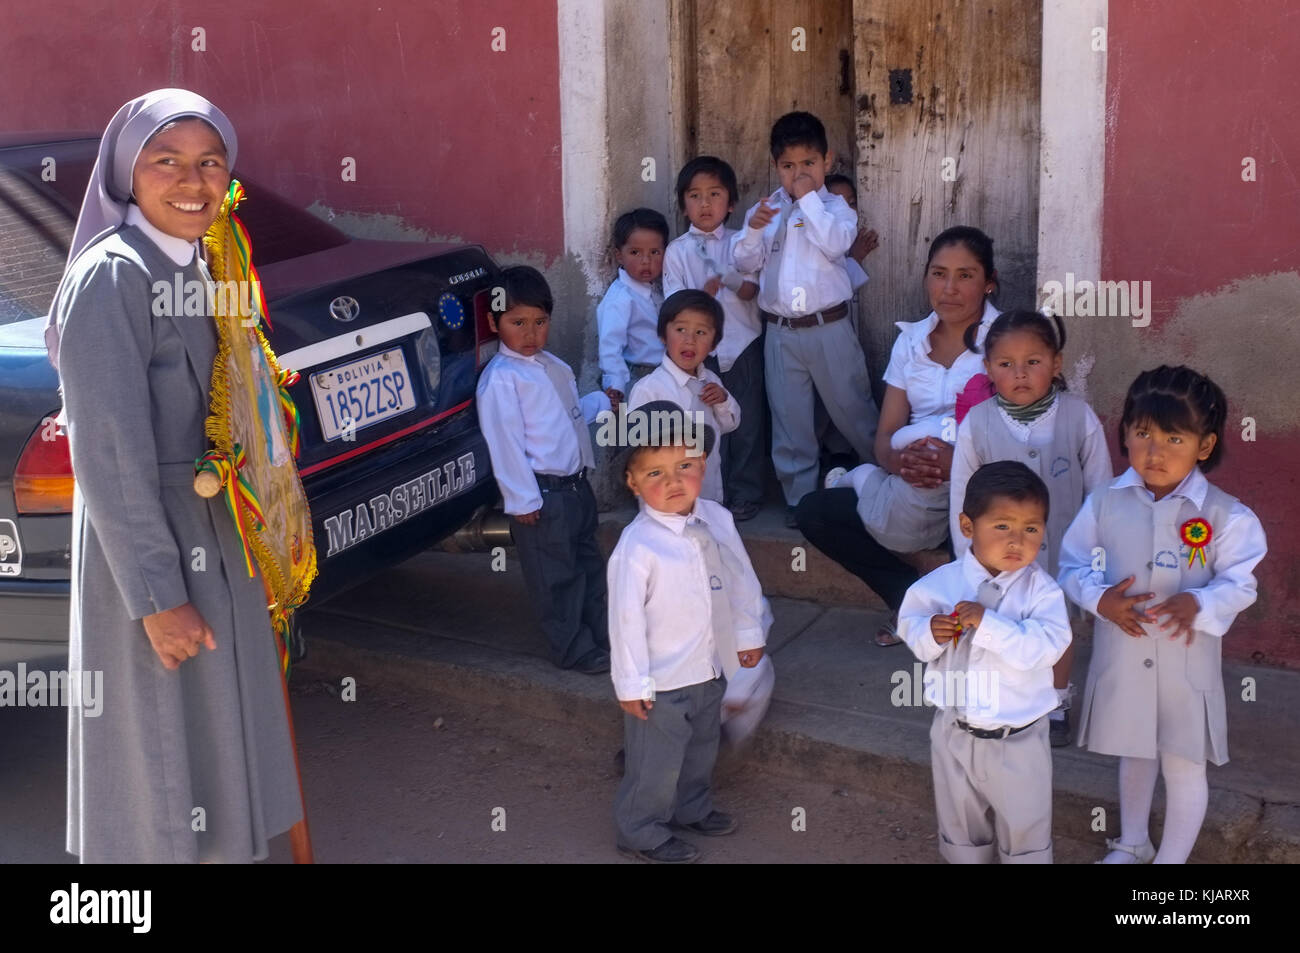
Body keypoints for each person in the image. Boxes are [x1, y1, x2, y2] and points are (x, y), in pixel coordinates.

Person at [48, 89, 302, 862]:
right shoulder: (113, 278)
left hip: (216, 531)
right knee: (159, 750)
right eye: (168, 162)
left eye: (210, 163)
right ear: (128, 173)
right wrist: (159, 599)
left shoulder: (206, 261)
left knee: (217, 734)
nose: (193, 182)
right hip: (149, 547)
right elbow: (109, 455)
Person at [1058, 366, 1266, 865]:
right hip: (1125, 656)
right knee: (1135, 750)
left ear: (1205, 444)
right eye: (1143, 433)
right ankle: (1131, 841)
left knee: (1184, 763)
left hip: (1185, 668)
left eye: (1175, 437)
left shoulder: (1227, 516)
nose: (1155, 451)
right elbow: (1073, 563)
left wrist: (1201, 603)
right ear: (1124, 432)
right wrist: (1099, 598)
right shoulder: (1103, 502)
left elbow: (1241, 584)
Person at [797, 226, 1000, 645]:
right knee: (813, 511)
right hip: (913, 485)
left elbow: (1022, 431)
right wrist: (903, 464)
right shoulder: (910, 342)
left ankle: (980, 621)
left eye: (965, 275)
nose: (949, 288)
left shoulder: (1006, 342)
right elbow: (886, 437)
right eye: (939, 273)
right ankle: (909, 599)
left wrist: (959, 464)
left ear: (989, 283)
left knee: (981, 526)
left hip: (983, 486)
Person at [608, 402, 768, 863]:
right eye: (654, 473)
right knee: (655, 763)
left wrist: (748, 633)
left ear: (704, 464)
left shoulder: (717, 520)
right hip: (660, 682)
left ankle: (691, 807)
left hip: (709, 666)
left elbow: (741, 578)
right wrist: (631, 684)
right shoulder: (637, 548)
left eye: (685, 466)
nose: (673, 482)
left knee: (701, 747)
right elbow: (624, 621)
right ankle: (641, 829)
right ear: (632, 482)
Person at [949, 309, 1113, 746]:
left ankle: (1056, 702)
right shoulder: (977, 424)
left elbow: (1101, 495)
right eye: (1005, 364)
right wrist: (967, 557)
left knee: (1056, 629)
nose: (1019, 374)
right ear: (988, 370)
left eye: (1033, 362)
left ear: (1056, 364)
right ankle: (1009, 702)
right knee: (1002, 627)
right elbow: (960, 497)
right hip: (996, 558)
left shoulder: (1079, 418)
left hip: (1063, 553)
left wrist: (1098, 557)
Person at [898, 462, 1072, 863]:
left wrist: (988, 623)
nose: (1017, 541)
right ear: (966, 525)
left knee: (1025, 824)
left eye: (1031, 528)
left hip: (1018, 739)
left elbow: (1047, 646)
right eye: (1002, 526)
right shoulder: (940, 583)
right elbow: (911, 625)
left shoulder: (1041, 593)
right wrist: (930, 632)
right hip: (953, 731)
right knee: (959, 821)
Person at [733, 111, 880, 526]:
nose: (799, 174)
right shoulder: (765, 210)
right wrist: (754, 232)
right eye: (788, 166)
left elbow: (836, 245)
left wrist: (807, 199)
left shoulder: (836, 209)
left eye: (808, 165)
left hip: (829, 327)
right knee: (790, 418)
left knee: (854, 409)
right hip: (781, 333)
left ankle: (885, 487)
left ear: (827, 161)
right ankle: (800, 500)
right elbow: (745, 263)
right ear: (775, 167)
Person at [476, 266, 612, 674]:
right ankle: (573, 647)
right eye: (518, 323)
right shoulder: (501, 380)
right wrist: (521, 500)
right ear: (493, 322)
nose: (530, 333)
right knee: (556, 579)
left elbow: (565, 417)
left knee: (589, 567)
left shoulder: (553, 365)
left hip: (575, 489)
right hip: (542, 499)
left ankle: (604, 634)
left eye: (540, 322)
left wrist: (600, 403)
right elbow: (505, 444)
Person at [662, 156, 765, 521]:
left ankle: (746, 492)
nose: (705, 204)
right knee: (709, 423)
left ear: (731, 202)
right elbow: (675, 304)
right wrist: (702, 298)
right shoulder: (676, 252)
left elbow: (754, 291)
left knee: (747, 421)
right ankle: (710, 494)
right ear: (683, 204)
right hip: (700, 353)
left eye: (715, 194)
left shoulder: (743, 244)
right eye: (695, 196)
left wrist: (729, 279)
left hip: (744, 345)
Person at [629, 290, 740, 505]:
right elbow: (637, 454)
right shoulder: (649, 390)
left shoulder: (712, 381)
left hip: (709, 496)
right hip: (667, 504)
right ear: (663, 335)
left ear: (714, 344)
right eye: (680, 330)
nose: (690, 340)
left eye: (701, 332)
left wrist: (723, 400)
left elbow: (730, 424)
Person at [597, 208, 669, 411]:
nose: (646, 261)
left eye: (655, 252)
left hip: (665, 374)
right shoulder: (620, 298)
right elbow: (610, 347)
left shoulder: (659, 289)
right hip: (636, 378)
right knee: (638, 439)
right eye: (635, 253)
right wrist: (616, 388)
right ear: (619, 255)